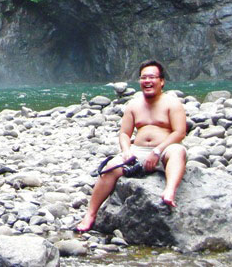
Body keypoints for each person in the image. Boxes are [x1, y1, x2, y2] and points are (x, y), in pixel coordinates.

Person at [75, 59, 188, 233]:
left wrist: (157, 151)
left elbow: (179, 133)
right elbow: (124, 134)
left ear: (162, 81)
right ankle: (90, 214)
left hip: (165, 148)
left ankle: (169, 191)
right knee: (110, 168)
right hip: (138, 151)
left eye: (152, 77)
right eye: (143, 78)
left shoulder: (172, 103)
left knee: (178, 151)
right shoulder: (134, 105)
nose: (147, 81)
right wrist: (126, 151)